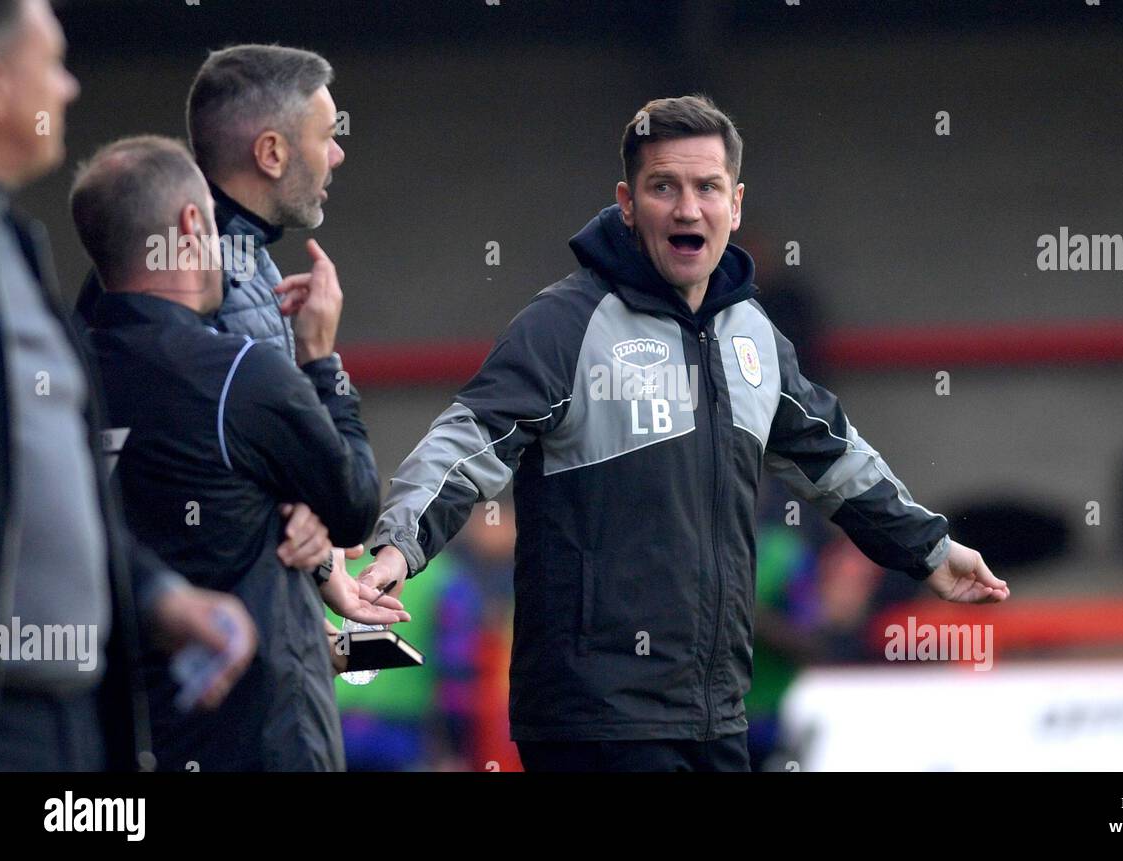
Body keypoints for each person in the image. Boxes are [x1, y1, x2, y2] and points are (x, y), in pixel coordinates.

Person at [359, 95, 1007, 772]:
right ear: (628, 202)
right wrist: (401, 545)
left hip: (717, 710)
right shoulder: (564, 325)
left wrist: (929, 547)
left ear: (736, 203)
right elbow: (466, 440)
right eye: (663, 186)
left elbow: (834, 454)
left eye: (707, 187)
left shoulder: (754, 334)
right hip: (597, 717)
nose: (688, 207)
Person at [68, 135, 406, 771]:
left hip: (103, 741)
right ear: (193, 225)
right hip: (253, 737)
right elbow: (355, 503)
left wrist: (283, 501)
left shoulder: (60, 377)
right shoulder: (237, 373)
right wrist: (320, 357)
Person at [0, 0, 255, 772]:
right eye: (51, 62)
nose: (70, 88)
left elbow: (49, 480)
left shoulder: (17, 246)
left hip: (73, 713)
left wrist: (154, 597)